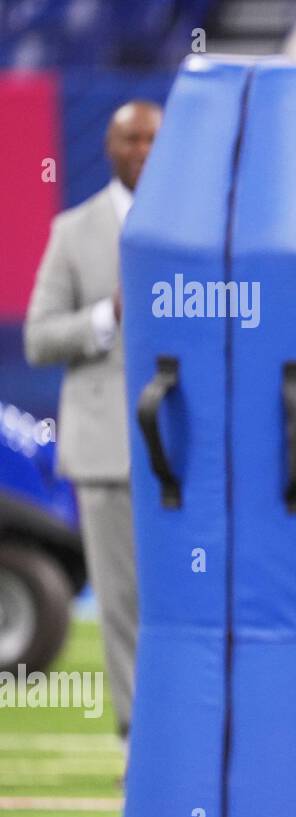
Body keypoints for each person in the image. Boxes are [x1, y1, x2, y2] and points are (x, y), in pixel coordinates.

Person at [24, 100, 163, 761]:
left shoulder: (194, 230)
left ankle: (192, 745)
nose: (142, 149)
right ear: (109, 147)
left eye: (153, 139)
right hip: (107, 450)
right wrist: (105, 316)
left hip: (186, 453)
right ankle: (141, 749)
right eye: (130, 139)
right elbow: (38, 339)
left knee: (189, 602)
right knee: (122, 605)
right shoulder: (73, 231)